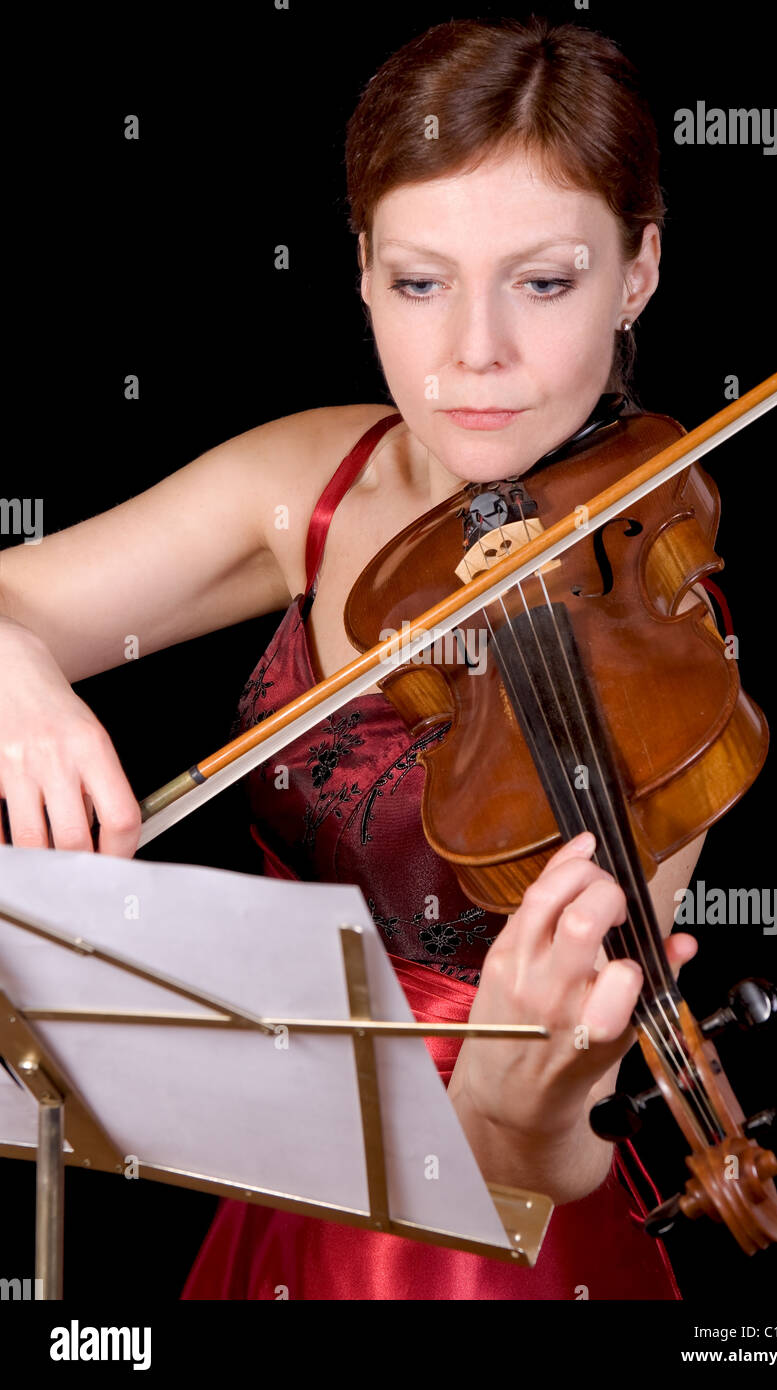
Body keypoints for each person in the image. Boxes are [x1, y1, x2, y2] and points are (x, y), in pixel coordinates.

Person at [0, 17, 707, 1298]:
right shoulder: (313, 486)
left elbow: (553, 1152)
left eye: (542, 283)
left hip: (491, 1248)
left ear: (636, 271)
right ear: (364, 274)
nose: (471, 354)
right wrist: (11, 673)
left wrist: (516, 1095)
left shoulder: (654, 629)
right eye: (420, 282)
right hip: (276, 1198)